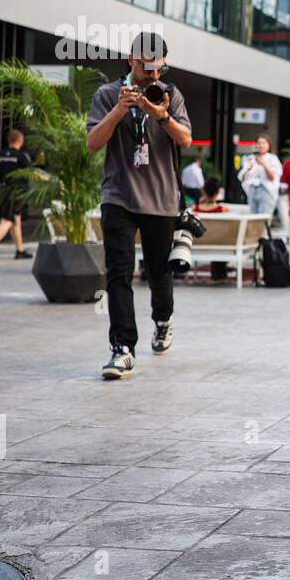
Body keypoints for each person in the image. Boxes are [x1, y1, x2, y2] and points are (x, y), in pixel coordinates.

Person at [85, 32, 192, 380]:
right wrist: (120, 110)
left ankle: (163, 321)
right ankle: (123, 349)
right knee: (118, 271)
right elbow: (92, 143)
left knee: (158, 270)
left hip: (161, 199)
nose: (154, 77)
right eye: (148, 71)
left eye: (160, 69)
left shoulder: (170, 94)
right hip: (118, 195)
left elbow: (186, 139)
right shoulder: (107, 95)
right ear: (132, 60)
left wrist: (160, 114)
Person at [0, 128, 34, 261]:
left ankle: (20, 250)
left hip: (3, 192)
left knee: (15, 220)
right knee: (8, 221)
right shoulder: (22, 156)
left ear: (8, 140)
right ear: (20, 140)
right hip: (17, 193)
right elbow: (31, 174)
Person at [237, 133, 282, 219]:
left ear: (269, 145)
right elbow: (242, 178)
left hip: (266, 191)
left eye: (263, 143)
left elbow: (273, 178)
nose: (261, 145)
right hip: (252, 190)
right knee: (253, 220)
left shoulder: (273, 158)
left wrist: (264, 165)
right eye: (258, 143)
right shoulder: (249, 158)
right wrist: (248, 169)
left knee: (263, 220)